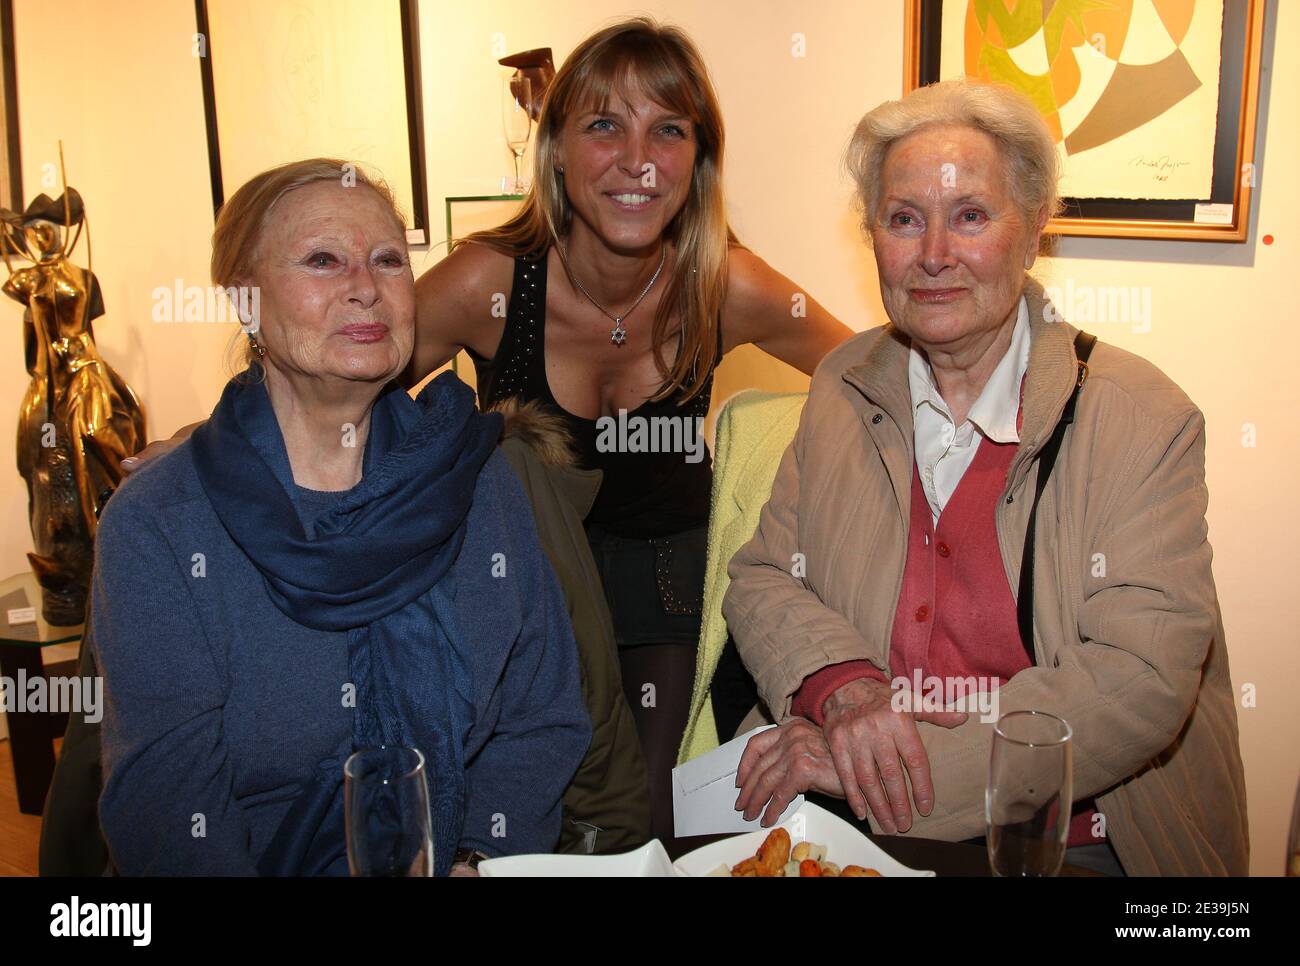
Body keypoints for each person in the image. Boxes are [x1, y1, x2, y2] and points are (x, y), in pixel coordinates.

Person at [725, 80, 1248, 876]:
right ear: (874, 237)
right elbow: (765, 577)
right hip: (856, 824)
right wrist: (848, 693)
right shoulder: (843, 385)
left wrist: (898, 777)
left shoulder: (1140, 417)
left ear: (1034, 227)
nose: (933, 253)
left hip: (1068, 839)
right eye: (905, 219)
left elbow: (1141, 680)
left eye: (970, 215)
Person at [407, 16, 853, 837]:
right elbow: (338, 388)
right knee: (522, 831)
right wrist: (204, 446)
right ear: (557, 151)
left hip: (668, 601)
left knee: (640, 836)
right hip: (525, 598)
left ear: (699, 160)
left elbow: (870, 378)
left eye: (669, 129)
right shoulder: (488, 283)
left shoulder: (726, 285)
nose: (639, 158)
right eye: (605, 124)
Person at [92, 159, 590, 875]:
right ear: (245, 301)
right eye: (323, 260)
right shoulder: (162, 525)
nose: (365, 286)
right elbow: (168, 810)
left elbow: (540, 718)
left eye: (388, 260)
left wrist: (477, 857)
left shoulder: (479, 483)